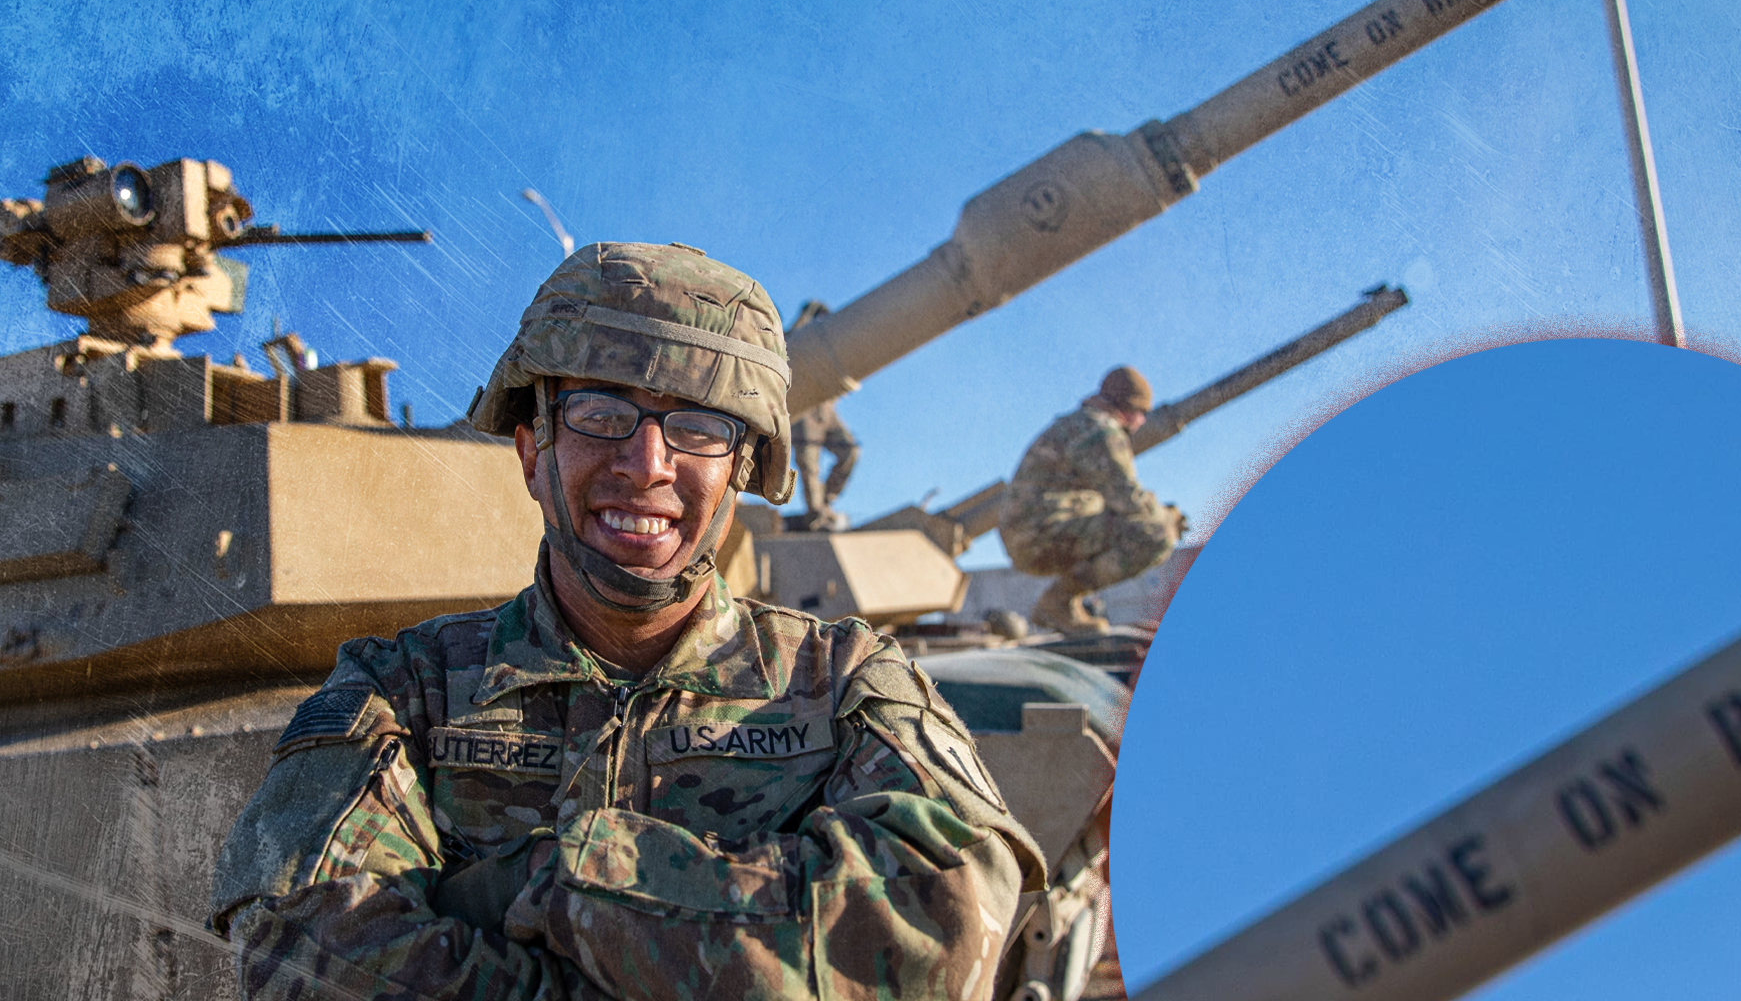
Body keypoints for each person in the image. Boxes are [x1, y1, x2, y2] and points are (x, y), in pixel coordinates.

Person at [209, 242, 1042, 1000]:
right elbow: (306, 950)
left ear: (741, 470)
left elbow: (951, 917)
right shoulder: (404, 690)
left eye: (699, 427)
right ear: (533, 452)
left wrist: (553, 882)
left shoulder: (844, 681)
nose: (647, 464)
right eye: (601, 414)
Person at [999, 366, 1184, 637]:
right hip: (1040, 536)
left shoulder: (1078, 424)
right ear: (1129, 408)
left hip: (1032, 534)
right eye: (1143, 413)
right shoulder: (1101, 431)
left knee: (1145, 523)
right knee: (1158, 534)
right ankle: (1058, 602)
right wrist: (1170, 518)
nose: (1143, 421)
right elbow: (1129, 500)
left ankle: (1063, 602)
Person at [786, 300, 860, 531]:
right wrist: (805, 314)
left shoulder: (828, 340)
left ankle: (826, 502)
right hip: (804, 409)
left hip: (826, 409)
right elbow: (786, 345)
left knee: (850, 451)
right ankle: (816, 514)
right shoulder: (799, 337)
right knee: (809, 467)